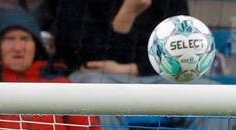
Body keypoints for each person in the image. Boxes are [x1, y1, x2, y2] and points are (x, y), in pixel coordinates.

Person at [54, 0, 186, 81]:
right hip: (100, 78)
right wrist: (128, 13)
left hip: (159, 75)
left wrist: (132, 69)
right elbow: (85, 58)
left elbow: (181, 50)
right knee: (95, 88)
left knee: (203, 87)